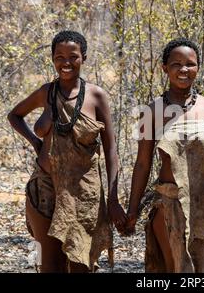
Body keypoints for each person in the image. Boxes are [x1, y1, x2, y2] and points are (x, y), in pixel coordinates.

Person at [8, 30, 126, 272]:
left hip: (84, 193)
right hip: (45, 188)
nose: (66, 63)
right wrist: (36, 142)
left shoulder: (96, 96)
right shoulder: (46, 93)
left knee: (80, 262)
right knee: (50, 265)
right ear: (52, 59)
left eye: (73, 56)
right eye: (59, 57)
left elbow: (111, 149)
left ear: (84, 57)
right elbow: (15, 115)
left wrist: (113, 198)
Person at [124, 38, 204, 272]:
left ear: (198, 67)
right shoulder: (152, 110)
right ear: (164, 68)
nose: (183, 69)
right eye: (176, 64)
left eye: (190, 64)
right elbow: (142, 163)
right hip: (171, 204)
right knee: (177, 270)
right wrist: (132, 209)